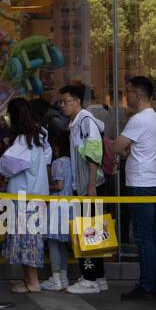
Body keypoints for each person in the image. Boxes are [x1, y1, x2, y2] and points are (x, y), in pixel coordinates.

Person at [111, 76, 156, 301]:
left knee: (143, 237)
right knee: (151, 236)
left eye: (128, 92)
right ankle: (154, 283)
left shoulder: (139, 119)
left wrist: (124, 149)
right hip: (153, 182)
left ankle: (147, 285)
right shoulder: (154, 118)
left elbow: (116, 146)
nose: (126, 96)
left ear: (138, 95)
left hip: (141, 183)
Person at [0, 97, 51, 294]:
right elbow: (47, 158)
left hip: (23, 197)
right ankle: (28, 280)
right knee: (32, 238)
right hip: (40, 194)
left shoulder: (22, 140)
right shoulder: (41, 134)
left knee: (25, 239)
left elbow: (7, 166)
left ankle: (33, 282)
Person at [58, 83, 107, 294]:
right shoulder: (77, 123)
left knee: (88, 232)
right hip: (86, 185)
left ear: (77, 101)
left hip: (89, 186)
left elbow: (93, 152)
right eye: (61, 102)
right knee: (94, 232)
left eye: (66, 101)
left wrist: (90, 186)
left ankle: (90, 279)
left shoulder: (85, 122)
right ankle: (98, 276)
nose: (62, 106)